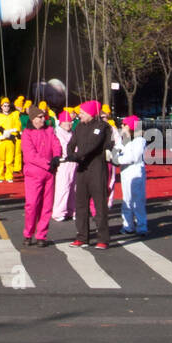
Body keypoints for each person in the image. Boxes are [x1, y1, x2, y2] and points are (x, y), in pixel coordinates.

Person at [67, 100, 114, 249]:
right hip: (82, 170)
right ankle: (82, 237)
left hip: (97, 169)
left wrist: (77, 155)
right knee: (80, 204)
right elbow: (71, 143)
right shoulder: (79, 126)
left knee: (100, 206)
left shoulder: (102, 126)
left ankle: (103, 239)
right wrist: (70, 154)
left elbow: (92, 145)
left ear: (91, 113)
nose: (79, 115)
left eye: (82, 112)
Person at [20, 104, 60, 246]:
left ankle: (41, 235)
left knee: (47, 206)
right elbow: (30, 155)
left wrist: (56, 156)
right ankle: (28, 233)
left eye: (44, 116)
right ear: (33, 119)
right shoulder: (27, 133)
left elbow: (56, 145)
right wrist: (48, 164)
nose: (43, 119)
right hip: (34, 174)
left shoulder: (49, 130)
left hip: (49, 174)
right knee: (32, 205)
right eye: (40, 117)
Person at [114, 115, 147, 235]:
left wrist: (117, 159)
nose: (121, 126)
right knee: (126, 200)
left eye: (124, 124)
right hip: (126, 173)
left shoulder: (140, 140)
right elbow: (116, 149)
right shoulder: (125, 140)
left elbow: (133, 157)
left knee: (137, 201)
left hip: (136, 173)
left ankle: (142, 226)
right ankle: (128, 226)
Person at [51, 110, 77, 221]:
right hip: (63, 163)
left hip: (74, 163)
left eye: (71, 121)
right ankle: (59, 212)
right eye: (67, 121)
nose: (69, 124)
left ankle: (72, 210)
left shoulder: (72, 132)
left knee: (74, 188)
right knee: (63, 187)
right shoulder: (57, 132)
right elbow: (64, 147)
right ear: (61, 122)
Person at [0, 98, 20, 183]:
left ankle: (9, 175)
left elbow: (17, 126)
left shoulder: (13, 115)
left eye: (8, 105)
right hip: (0, 141)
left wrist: (13, 133)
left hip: (10, 140)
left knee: (10, 160)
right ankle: (0, 176)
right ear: (1, 106)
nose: (6, 107)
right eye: (5, 106)